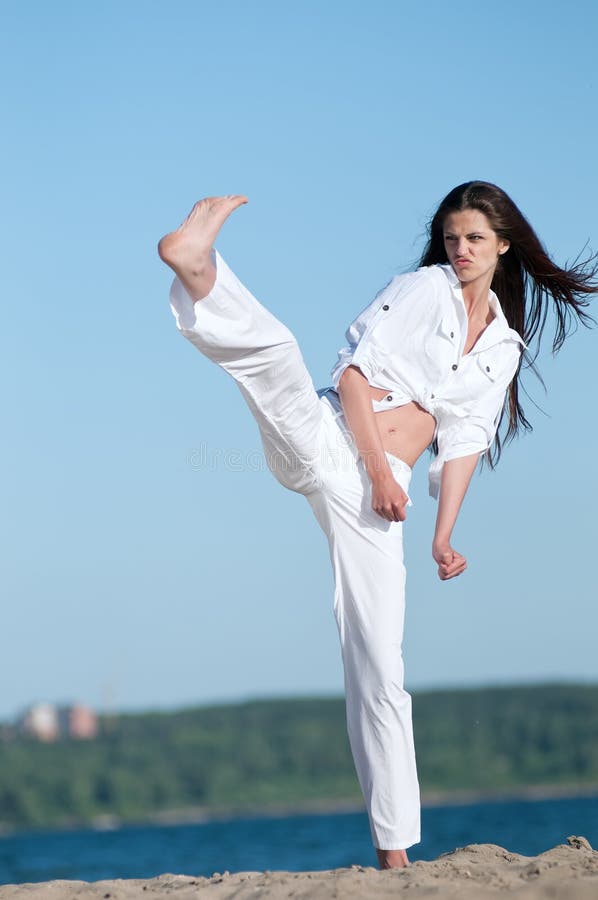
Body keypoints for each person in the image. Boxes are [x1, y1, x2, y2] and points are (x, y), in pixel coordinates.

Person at [157, 183, 596, 869]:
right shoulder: (423, 289)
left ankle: (394, 856)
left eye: (475, 239)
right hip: (337, 442)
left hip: (377, 502)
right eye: (452, 237)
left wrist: (442, 535)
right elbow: (355, 375)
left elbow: (466, 440)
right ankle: (198, 266)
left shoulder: (503, 346)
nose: (460, 250)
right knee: (277, 355)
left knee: (381, 666)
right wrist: (382, 473)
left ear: (503, 244)